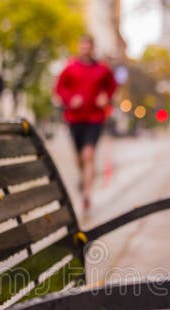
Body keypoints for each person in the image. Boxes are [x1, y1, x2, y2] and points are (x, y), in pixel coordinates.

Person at [55, 35, 117, 210]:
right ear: (79, 47)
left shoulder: (102, 69)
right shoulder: (70, 68)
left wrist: (106, 96)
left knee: (88, 154)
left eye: (88, 46)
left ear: (92, 48)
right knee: (79, 157)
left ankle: (87, 193)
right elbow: (59, 87)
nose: (85, 49)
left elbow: (112, 85)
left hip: (95, 118)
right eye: (82, 46)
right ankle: (84, 178)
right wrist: (69, 99)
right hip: (75, 118)